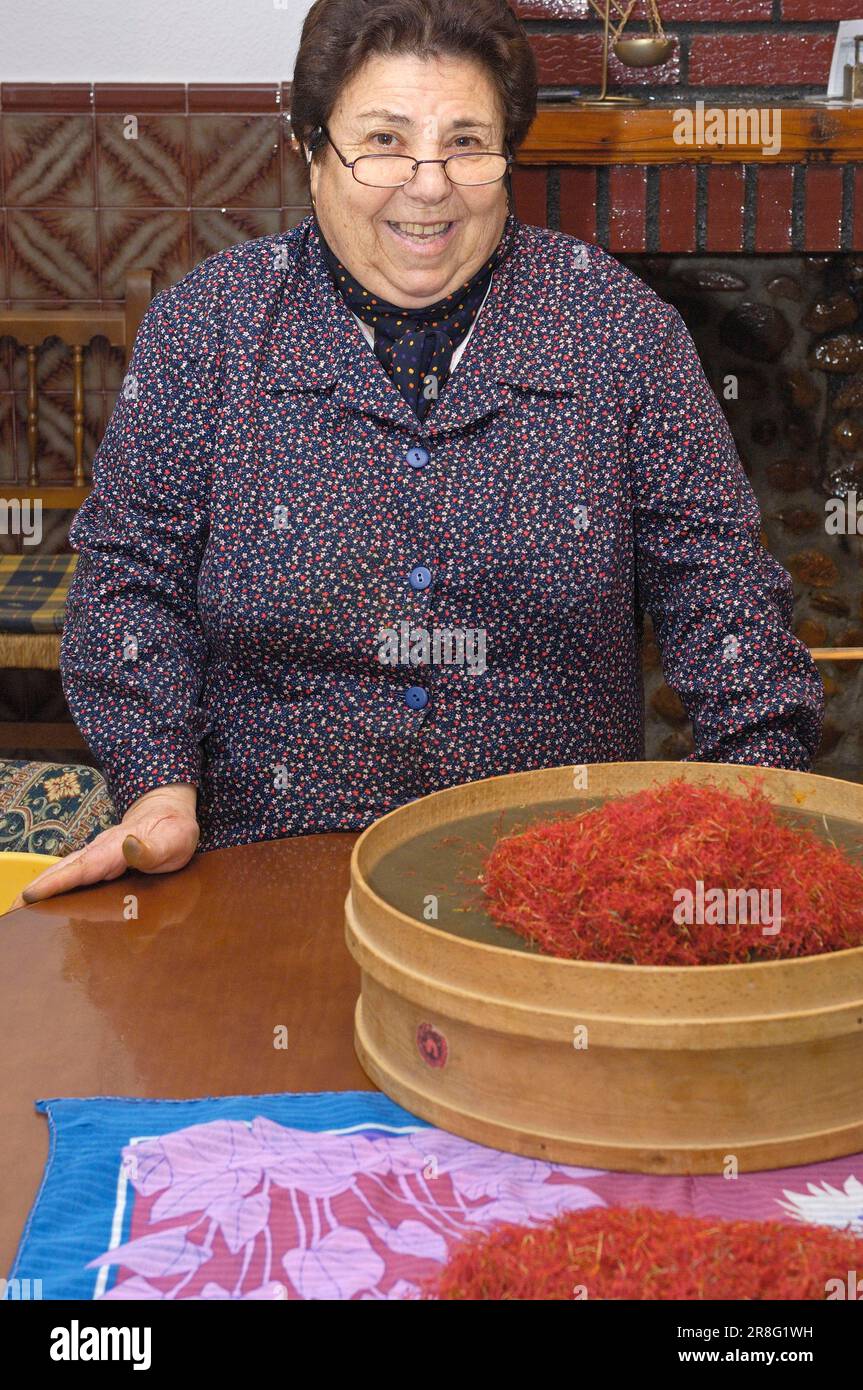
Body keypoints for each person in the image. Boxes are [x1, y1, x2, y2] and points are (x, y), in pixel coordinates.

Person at [15, 0, 823, 909]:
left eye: (467, 142)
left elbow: (717, 587)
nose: (429, 183)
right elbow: (132, 577)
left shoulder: (619, 333)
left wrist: (752, 799)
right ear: (309, 149)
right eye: (385, 140)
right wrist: (158, 783)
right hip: (267, 861)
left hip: (551, 876)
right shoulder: (211, 325)